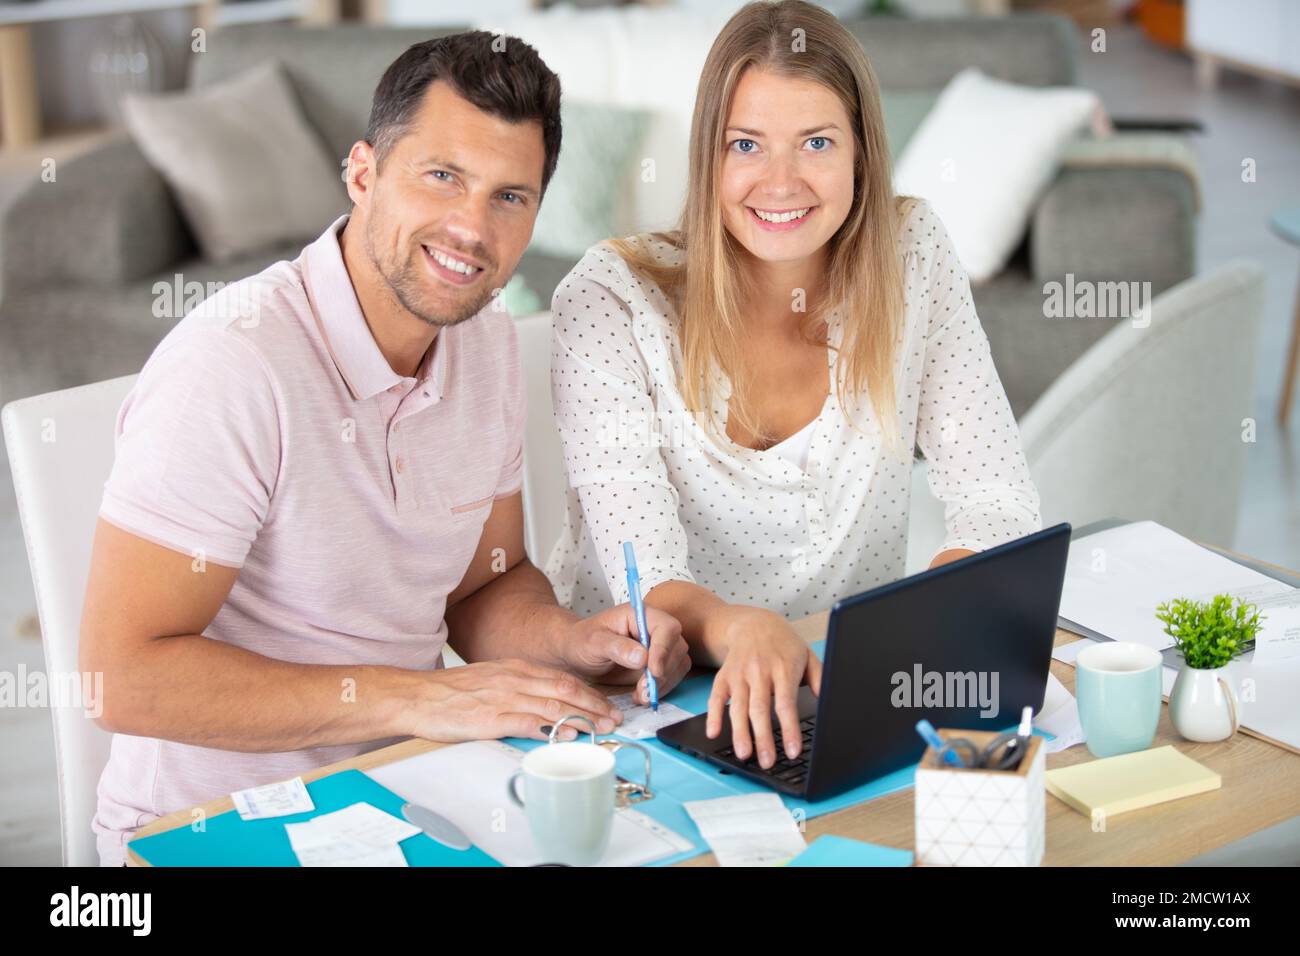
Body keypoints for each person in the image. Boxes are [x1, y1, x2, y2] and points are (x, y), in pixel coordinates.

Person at [82, 31, 690, 866]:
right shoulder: (233, 366)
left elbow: (486, 585)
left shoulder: (485, 341)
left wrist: (568, 643)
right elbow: (120, 678)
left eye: (509, 197)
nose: (471, 228)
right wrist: (421, 698)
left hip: (408, 797)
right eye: (442, 177)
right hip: (214, 828)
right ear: (364, 173)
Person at [545, 1, 1041, 775]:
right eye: (746, 144)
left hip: (836, 702)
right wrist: (743, 631)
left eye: (816, 142)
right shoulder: (611, 300)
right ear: (707, 156)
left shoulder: (913, 256)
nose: (780, 182)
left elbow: (998, 504)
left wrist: (922, 634)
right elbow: (645, 579)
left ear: (861, 158)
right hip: (640, 711)